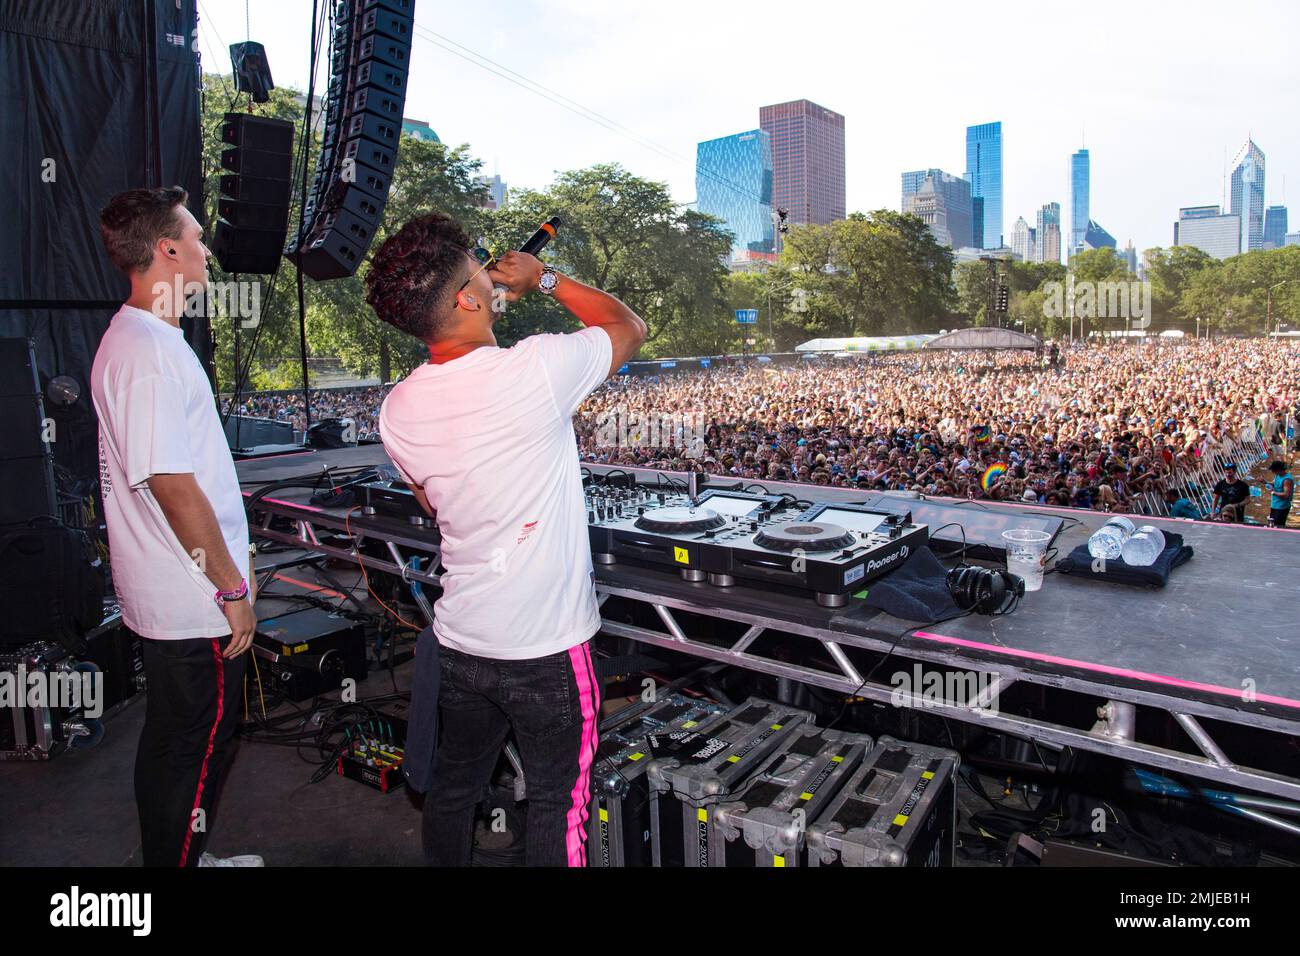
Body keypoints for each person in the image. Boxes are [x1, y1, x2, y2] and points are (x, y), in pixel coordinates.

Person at [368, 213, 646, 866]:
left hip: (461, 639)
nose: (491, 273)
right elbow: (628, 327)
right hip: (545, 649)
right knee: (559, 801)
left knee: (457, 783)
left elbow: (434, 504)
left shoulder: (397, 409)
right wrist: (546, 278)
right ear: (466, 297)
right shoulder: (537, 370)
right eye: (478, 269)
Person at [91, 187, 260, 867]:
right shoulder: (148, 350)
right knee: (194, 745)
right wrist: (230, 588)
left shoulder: (143, 341)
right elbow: (170, 484)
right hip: (193, 602)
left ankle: (180, 857)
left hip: (173, 596)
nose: (206, 250)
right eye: (194, 237)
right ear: (165, 251)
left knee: (175, 743)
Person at [1267, 460, 1294, 527]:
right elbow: (1274, 483)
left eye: (1273, 470)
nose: (1272, 472)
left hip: (1282, 507)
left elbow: (1286, 495)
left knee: (1278, 526)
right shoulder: (1278, 475)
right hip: (1275, 505)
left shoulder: (1287, 480)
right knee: (1273, 524)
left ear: (1278, 470)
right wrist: (1265, 482)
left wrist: (1273, 492)